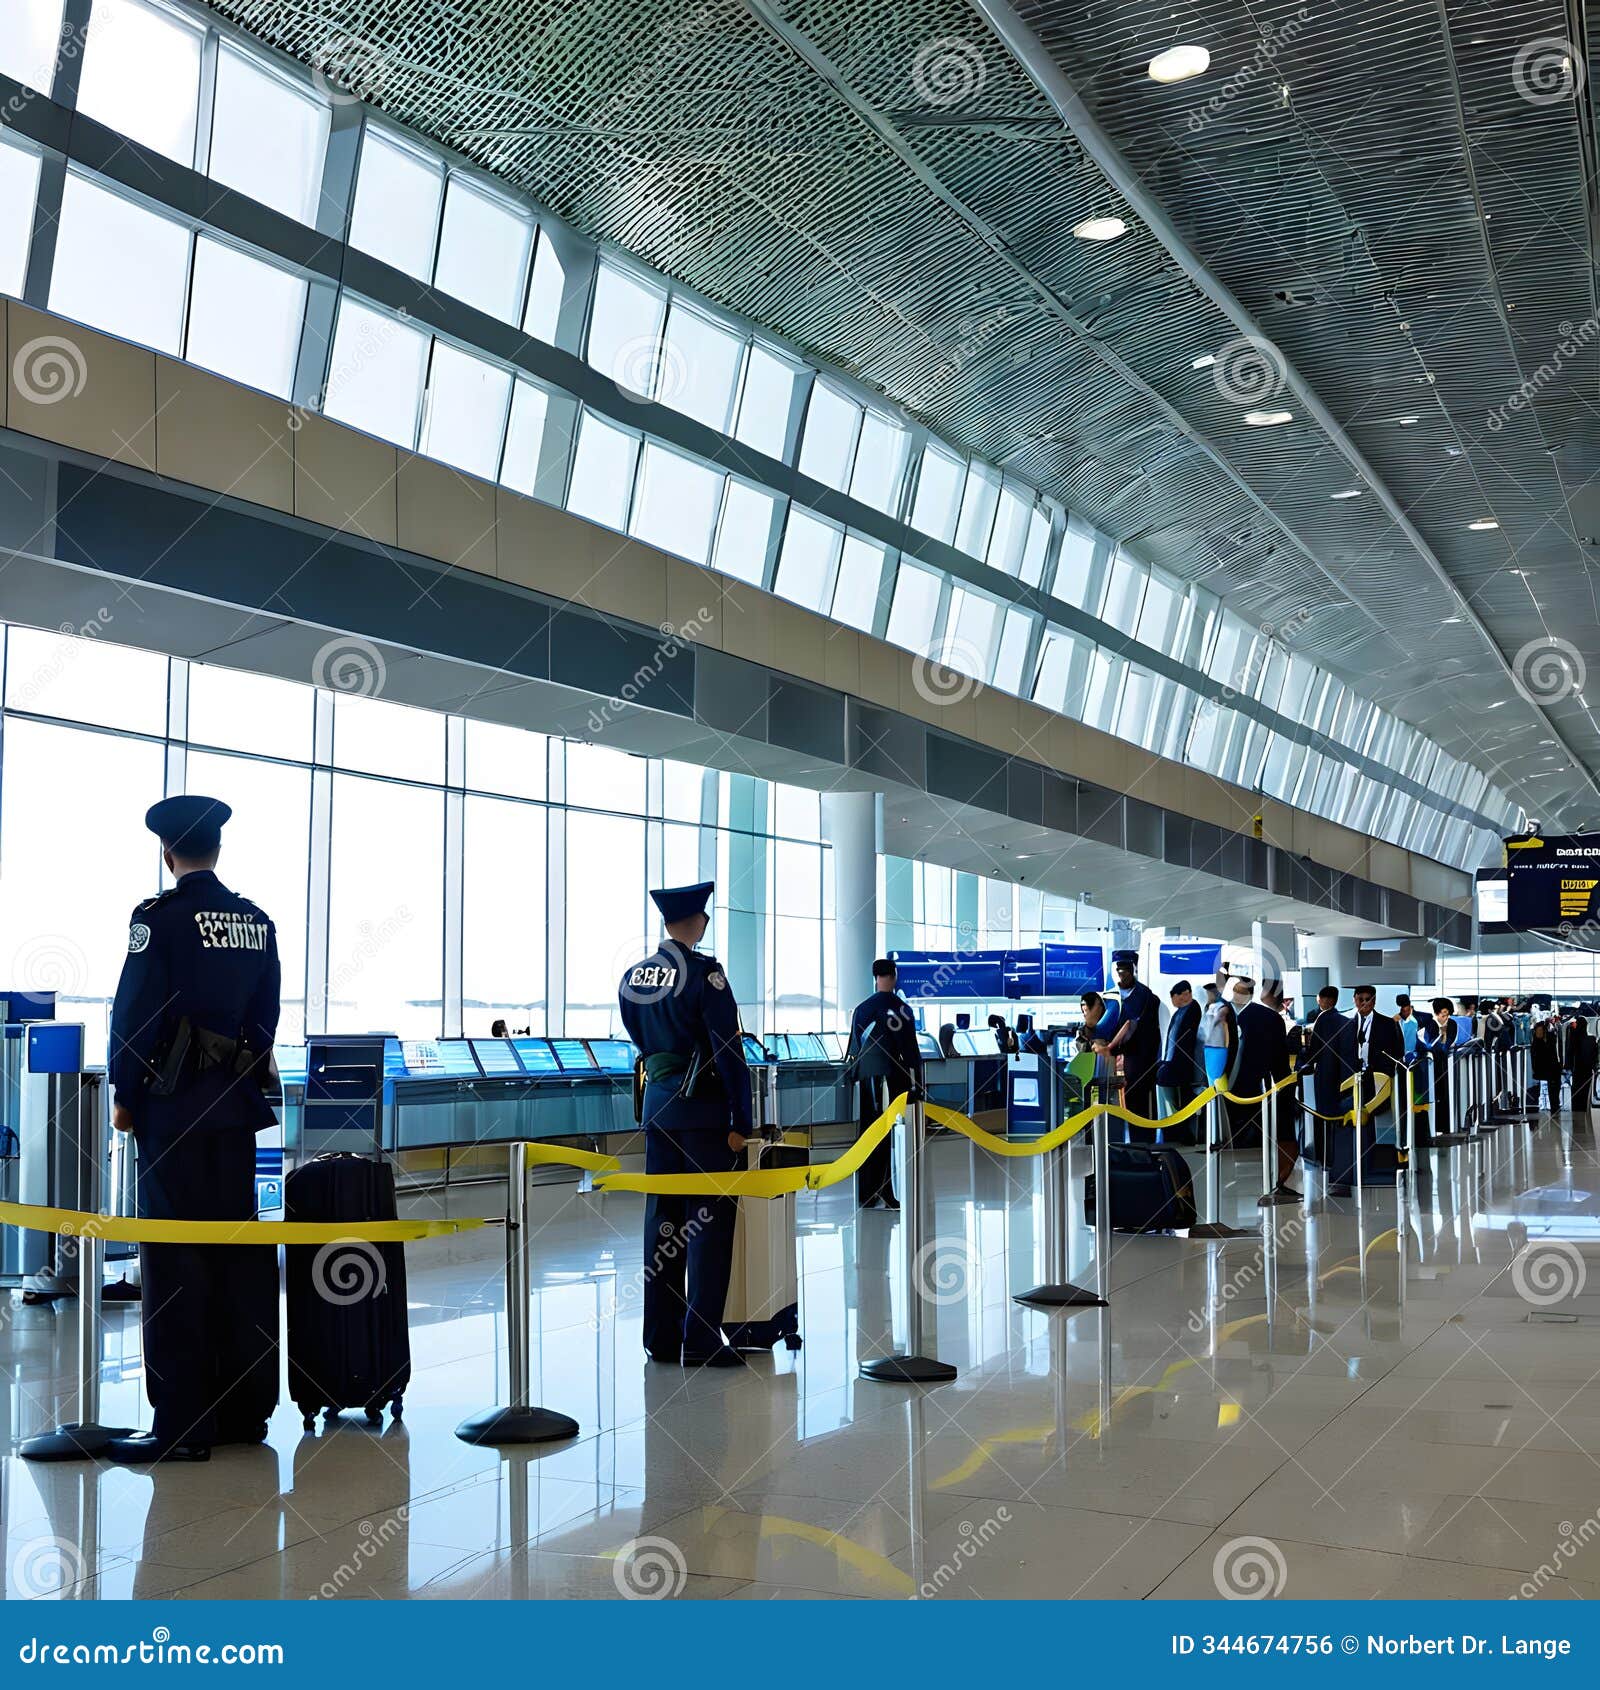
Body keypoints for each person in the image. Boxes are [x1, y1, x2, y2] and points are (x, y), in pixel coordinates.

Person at [107, 795, 281, 1463]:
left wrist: (127, 1092)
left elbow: (137, 1008)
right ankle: (245, 1411)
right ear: (217, 848)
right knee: (236, 1253)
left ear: (167, 852)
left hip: (173, 1110)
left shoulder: (160, 918)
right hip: (235, 1109)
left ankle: (182, 1421)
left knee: (175, 1257)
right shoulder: (255, 922)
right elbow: (265, 1017)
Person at [617, 880, 752, 1368]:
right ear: (696, 921)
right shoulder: (704, 974)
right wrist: (743, 1118)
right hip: (703, 1111)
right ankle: (700, 1339)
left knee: (664, 1222)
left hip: (658, 1107)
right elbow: (728, 1049)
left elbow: (641, 1041)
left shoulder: (634, 976)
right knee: (708, 1225)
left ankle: (661, 1336)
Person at [843, 958, 922, 1211]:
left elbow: (853, 1048)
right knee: (892, 1134)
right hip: (893, 1079)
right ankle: (889, 1191)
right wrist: (917, 1085)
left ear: (874, 977)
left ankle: (866, 1193)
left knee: (867, 1134)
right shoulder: (902, 1009)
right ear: (895, 975)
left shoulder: (861, 1009)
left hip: (866, 1079)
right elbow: (910, 1052)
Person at [1335, 986, 1406, 1193]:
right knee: (1353, 1120)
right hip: (1353, 1081)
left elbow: (1398, 1051)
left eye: (1367, 1000)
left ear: (1373, 1001)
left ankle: (1378, 1167)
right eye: (1360, 999)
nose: (1363, 1003)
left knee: (1377, 1120)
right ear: (1354, 1000)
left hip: (1378, 1079)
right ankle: (1352, 1169)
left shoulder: (1387, 1024)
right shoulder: (1347, 1024)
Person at [1234, 981, 1297, 1199]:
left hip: (1242, 1089)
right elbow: (1279, 1058)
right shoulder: (1271, 1018)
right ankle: (1276, 1181)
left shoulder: (1238, 1015)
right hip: (1270, 1087)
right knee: (1280, 1133)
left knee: (1254, 1137)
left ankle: (1260, 1183)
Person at [1098, 950, 1161, 1139]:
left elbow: (1131, 1026)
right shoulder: (1108, 997)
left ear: (1134, 969)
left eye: (1126, 968)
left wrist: (1109, 1048)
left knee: (1137, 1102)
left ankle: (1140, 1144)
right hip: (1112, 1060)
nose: (1121, 973)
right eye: (1118, 969)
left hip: (1137, 1060)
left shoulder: (1146, 997)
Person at [1155, 979, 1202, 1144]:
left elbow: (1185, 1041)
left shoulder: (1193, 1010)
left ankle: (1183, 1134)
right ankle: (1172, 1131)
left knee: (1182, 1100)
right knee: (1170, 1100)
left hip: (1182, 1064)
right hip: (1171, 1063)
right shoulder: (1179, 1012)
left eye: (1174, 997)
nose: (1173, 1001)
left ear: (1185, 994)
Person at [1304, 985, 1347, 1168]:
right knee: (1337, 1115)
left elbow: (1314, 1051)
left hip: (1323, 1075)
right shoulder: (1346, 1021)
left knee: (1321, 1115)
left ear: (1320, 999)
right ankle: (1337, 1155)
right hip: (1341, 1076)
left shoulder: (1321, 1020)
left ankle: (1323, 1156)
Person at [1529, 1015, 1563, 1114]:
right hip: (1548, 1068)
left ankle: (1555, 1106)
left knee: (1555, 1087)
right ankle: (1554, 1107)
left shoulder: (1549, 1038)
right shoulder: (1537, 1043)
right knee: (1553, 1087)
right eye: (1537, 1031)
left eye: (1540, 1030)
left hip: (1552, 1067)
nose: (1538, 1032)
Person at [1570, 1015, 1596, 1115]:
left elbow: (1570, 1054)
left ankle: (1576, 1110)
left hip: (1577, 1070)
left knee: (1577, 1092)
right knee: (1586, 1093)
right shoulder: (1591, 1039)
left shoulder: (1574, 1039)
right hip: (1587, 1070)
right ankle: (1585, 1110)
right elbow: (1593, 1056)